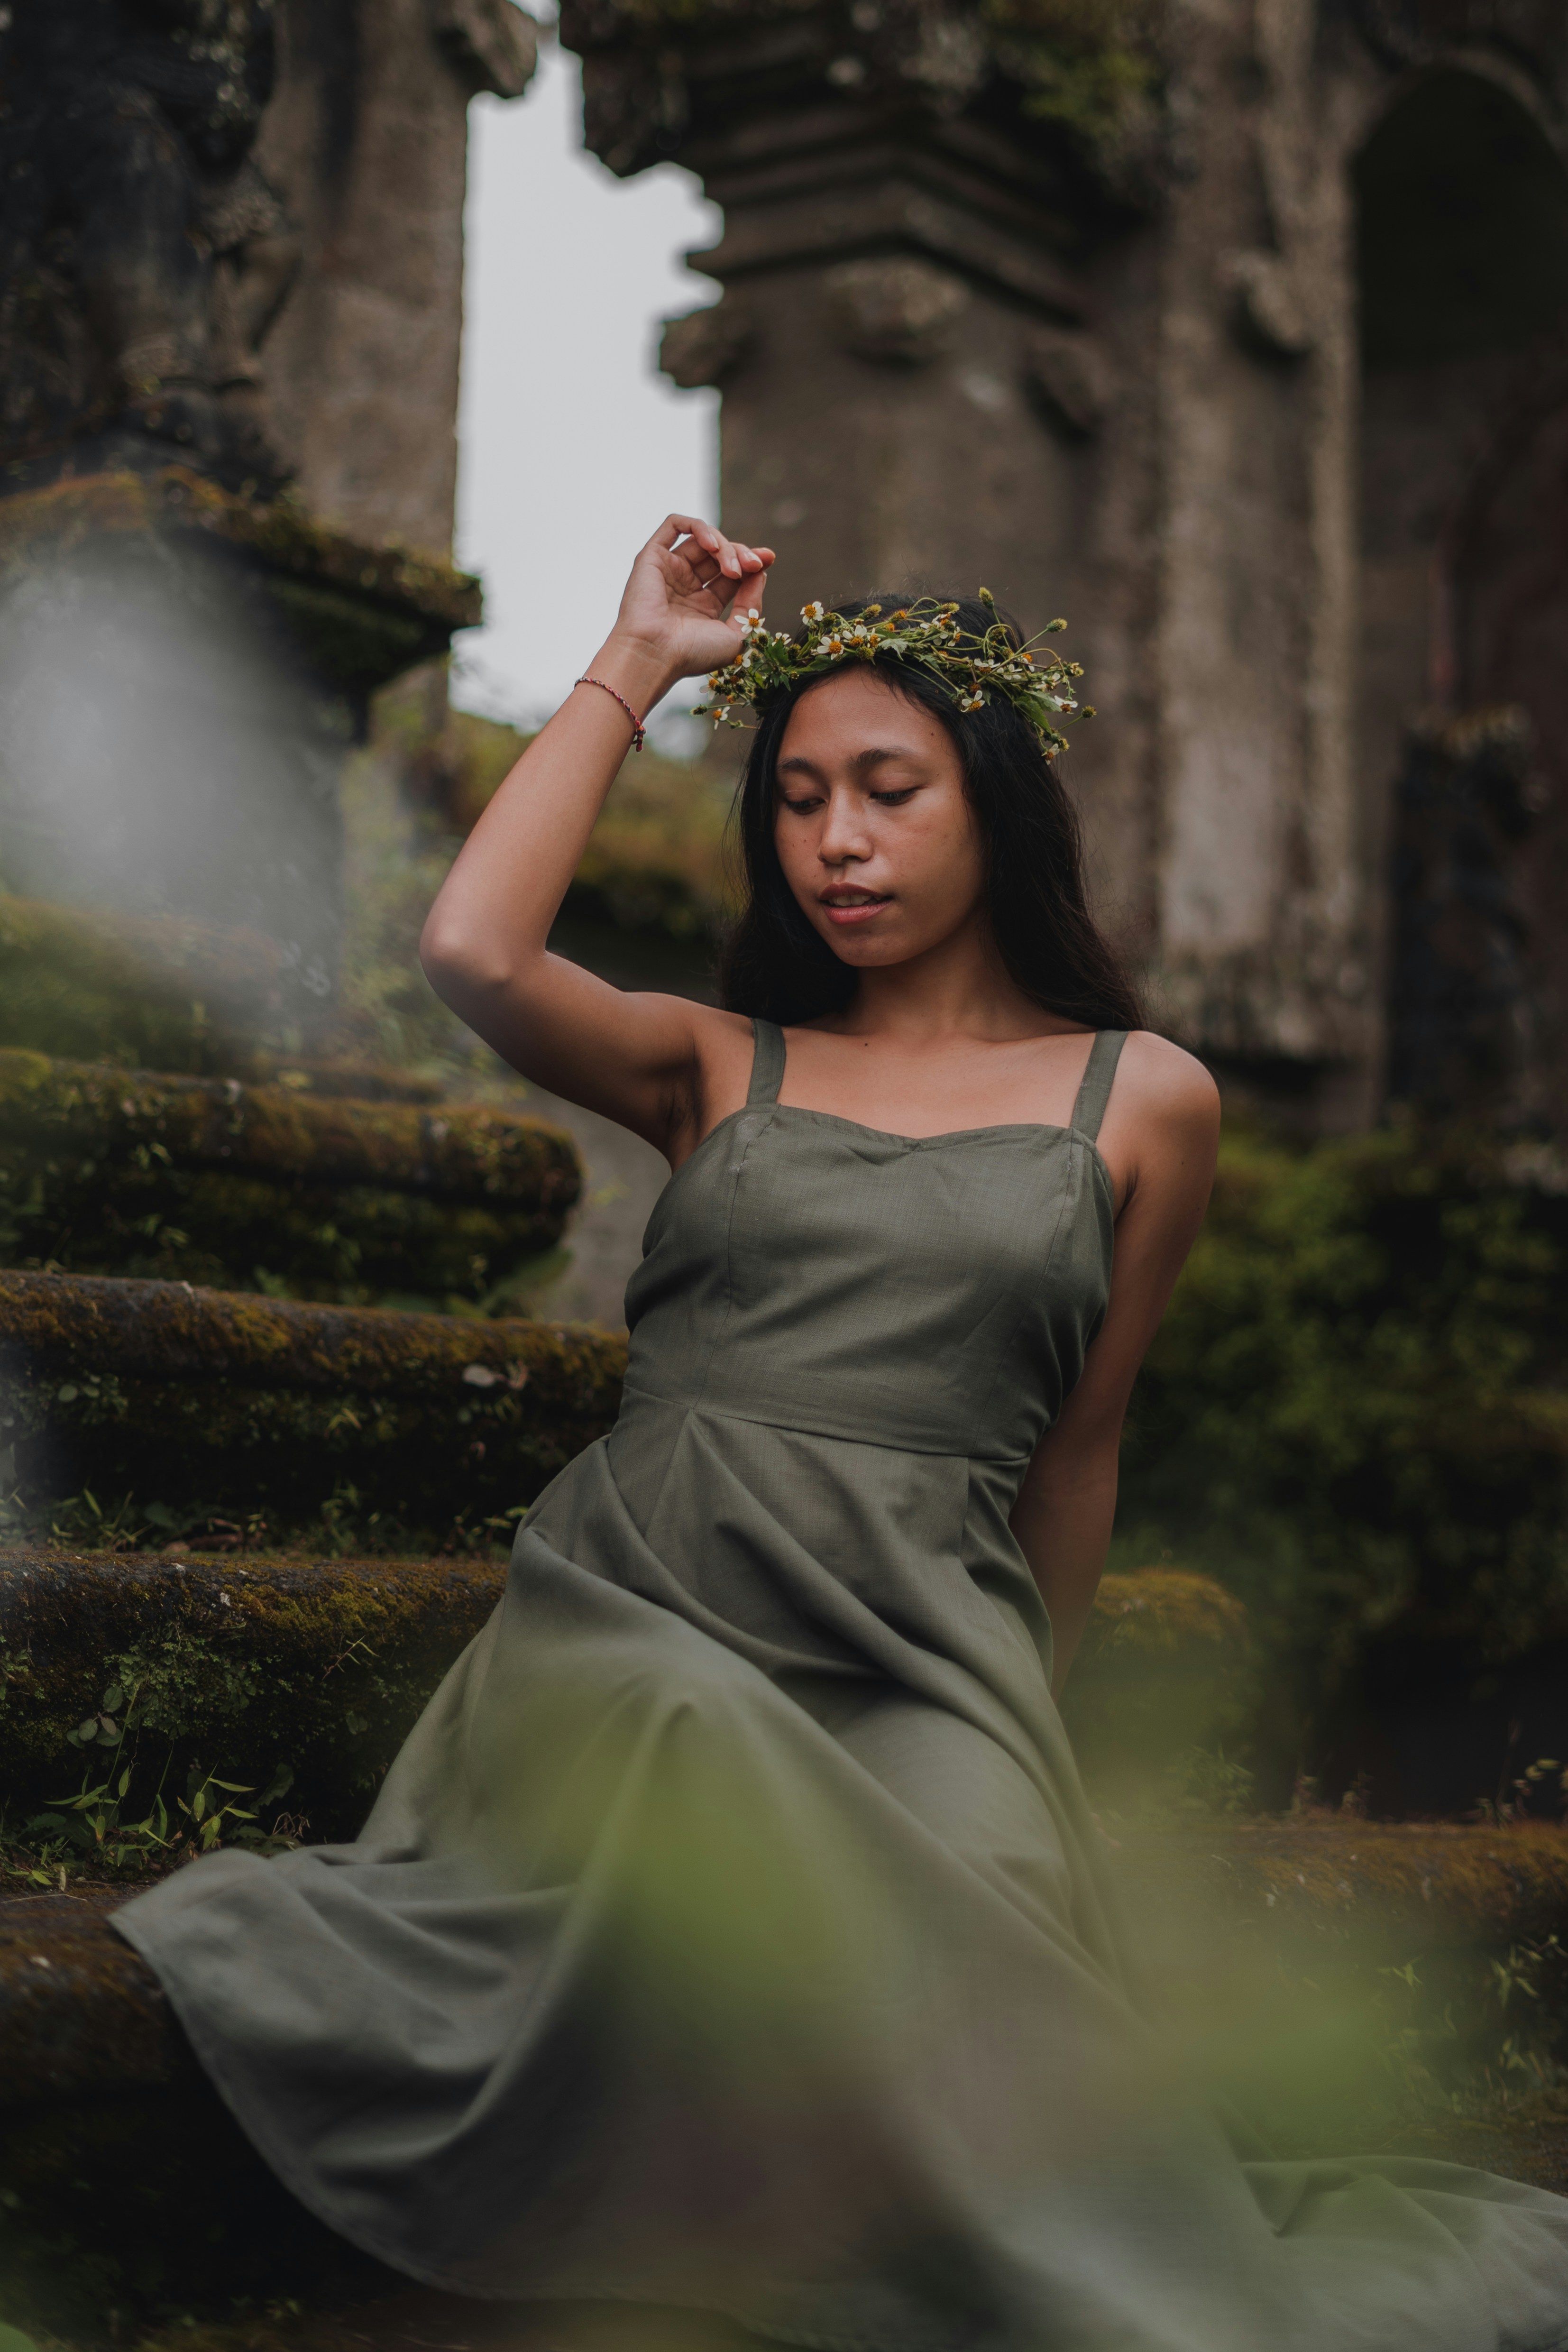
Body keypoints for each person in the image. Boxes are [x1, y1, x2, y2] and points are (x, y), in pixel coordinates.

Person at [116, 517, 1568, 2351]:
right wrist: (638, 660)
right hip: (643, 1622)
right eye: (797, 799)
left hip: (922, 1651)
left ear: (997, 806)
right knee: (692, 1725)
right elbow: (474, 949)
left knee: (980, 1914)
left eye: (887, 789)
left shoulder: (1150, 1103)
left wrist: (1022, 1717)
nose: (837, 842)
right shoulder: (726, 1061)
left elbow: (1078, 1449)